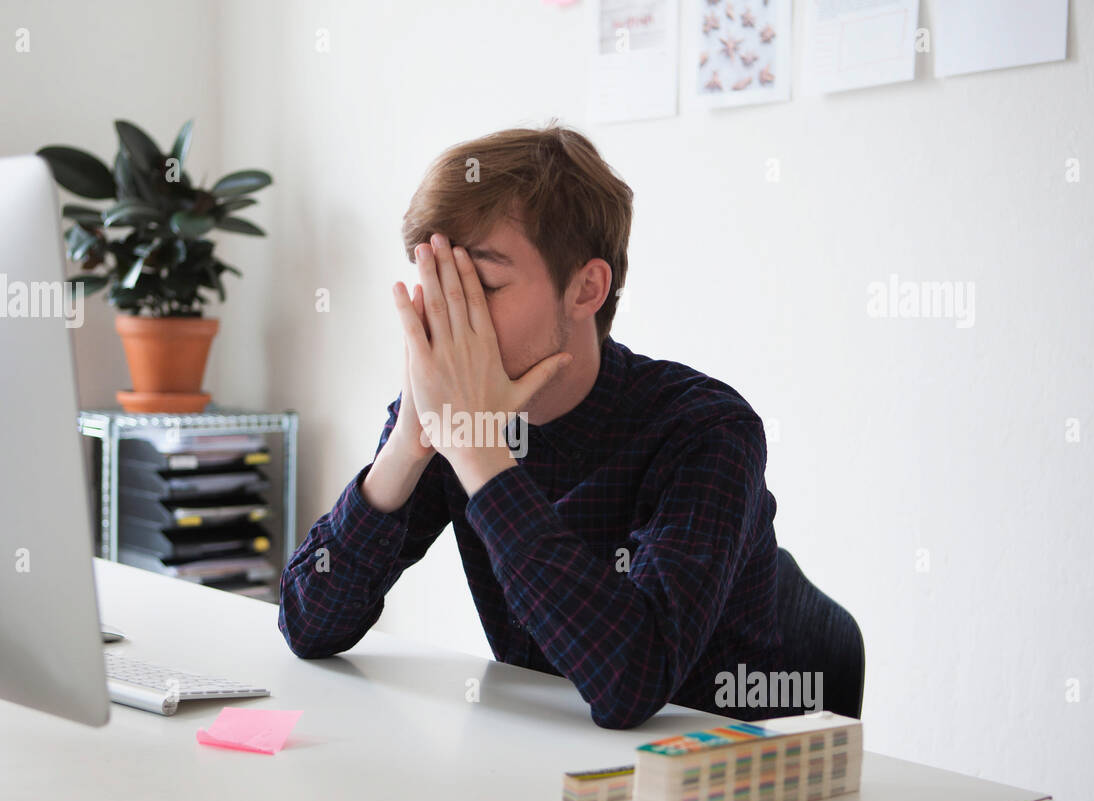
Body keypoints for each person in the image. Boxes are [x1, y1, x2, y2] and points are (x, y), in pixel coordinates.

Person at [278, 121, 795, 729]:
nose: (449, 316)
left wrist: (478, 453)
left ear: (586, 288)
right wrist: (406, 447)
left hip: (720, 782)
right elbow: (309, 625)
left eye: (483, 285)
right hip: (542, 767)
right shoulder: (450, 418)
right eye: (438, 284)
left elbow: (630, 684)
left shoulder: (706, 430)